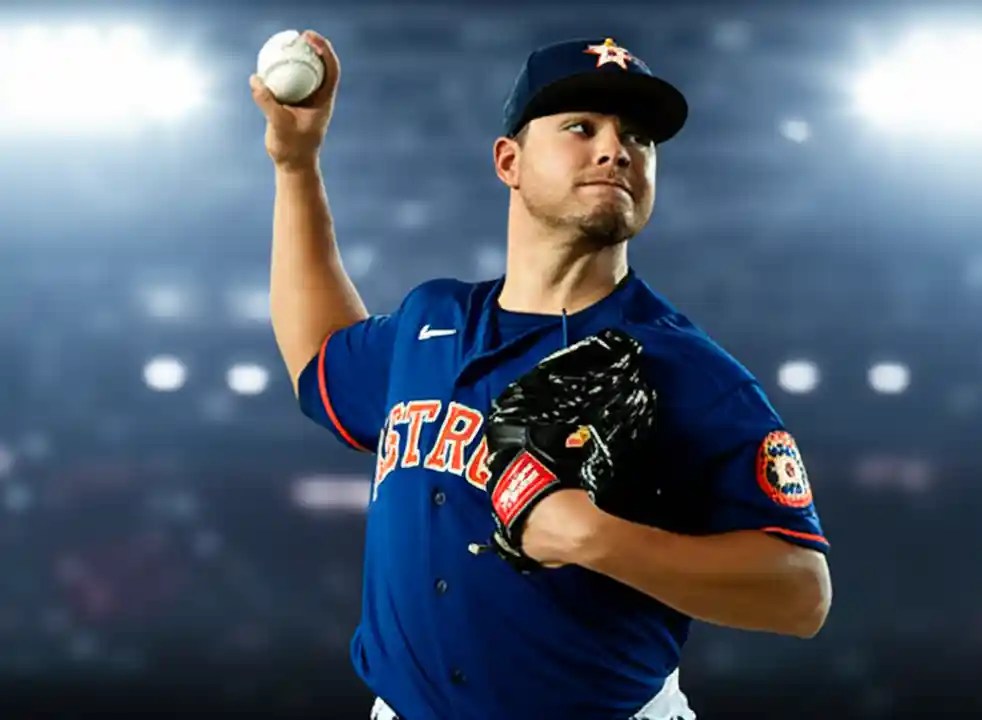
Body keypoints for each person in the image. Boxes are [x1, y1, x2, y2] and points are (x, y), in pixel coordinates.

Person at [250, 30, 832, 720]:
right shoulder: (431, 322)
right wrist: (296, 166)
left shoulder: (689, 368)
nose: (616, 149)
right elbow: (318, 352)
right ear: (509, 161)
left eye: (639, 138)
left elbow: (802, 595)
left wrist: (601, 540)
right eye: (581, 127)